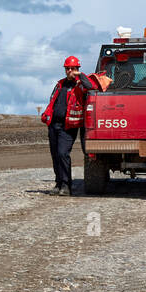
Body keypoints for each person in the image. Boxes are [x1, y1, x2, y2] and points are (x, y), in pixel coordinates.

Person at [40, 55, 95, 195]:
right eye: (67, 68)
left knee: (63, 153)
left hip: (68, 126)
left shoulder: (81, 84)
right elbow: (52, 100)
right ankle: (58, 184)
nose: (69, 70)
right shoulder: (60, 84)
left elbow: (91, 87)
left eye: (72, 68)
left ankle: (66, 185)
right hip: (54, 124)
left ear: (77, 68)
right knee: (55, 155)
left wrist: (79, 75)